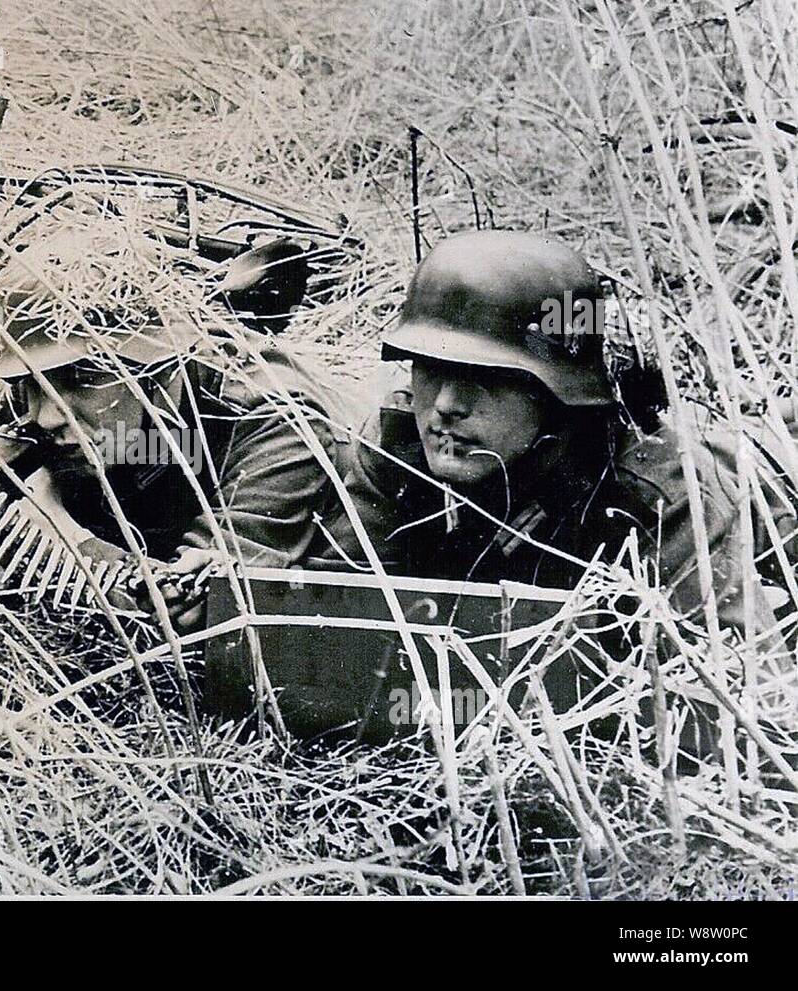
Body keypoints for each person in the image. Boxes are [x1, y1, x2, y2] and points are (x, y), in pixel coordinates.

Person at [313, 229, 796, 743]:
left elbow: (749, 708)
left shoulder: (657, 494)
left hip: (769, 489)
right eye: (431, 370)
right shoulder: (399, 447)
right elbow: (332, 625)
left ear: (556, 394)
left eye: (486, 377)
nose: (446, 404)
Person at [0, 220, 363, 632]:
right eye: (31, 384)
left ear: (156, 368)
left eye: (81, 377)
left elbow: (194, 609)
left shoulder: (271, 418)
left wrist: (60, 534)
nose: (46, 416)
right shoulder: (44, 400)